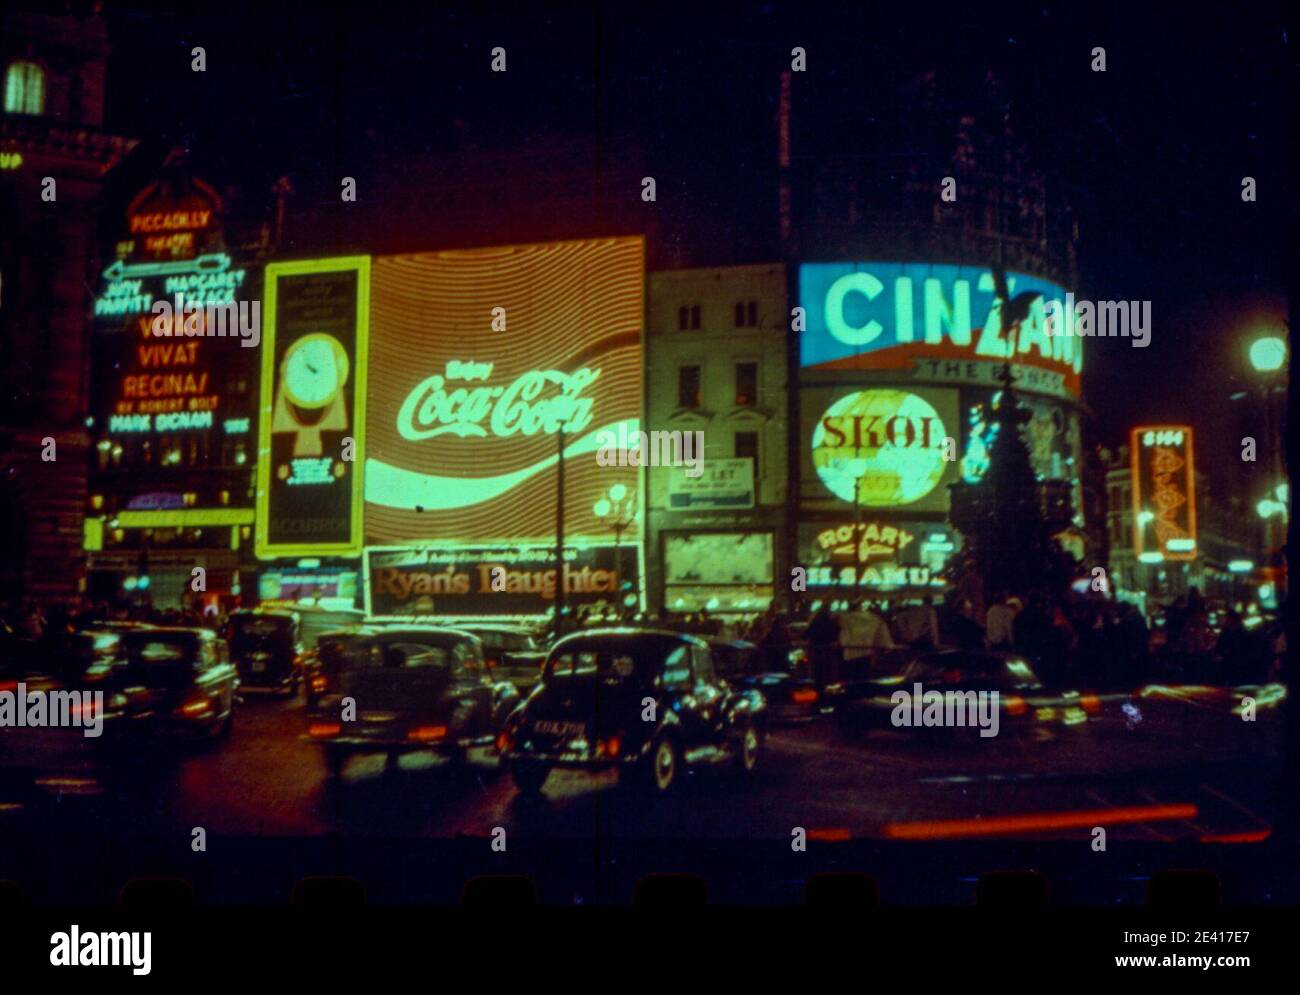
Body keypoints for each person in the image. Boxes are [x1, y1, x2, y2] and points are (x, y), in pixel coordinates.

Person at [839, 599, 894, 675]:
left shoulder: (843, 618)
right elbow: (885, 641)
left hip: (848, 654)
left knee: (850, 678)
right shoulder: (876, 619)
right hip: (867, 654)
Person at [806, 603, 841, 689]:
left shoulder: (816, 621)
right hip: (828, 649)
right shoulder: (831, 622)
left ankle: (817, 686)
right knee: (828, 670)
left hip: (817, 649)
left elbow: (807, 634)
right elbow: (836, 634)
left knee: (817, 670)